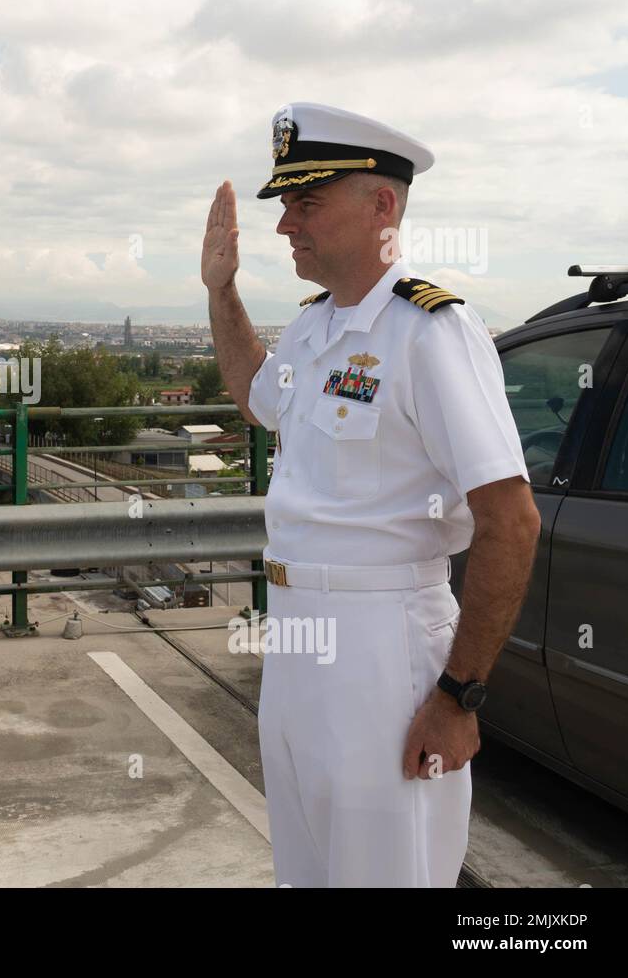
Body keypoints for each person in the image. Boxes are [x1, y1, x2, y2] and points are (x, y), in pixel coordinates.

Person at [201, 102, 540, 887]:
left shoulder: (432, 333)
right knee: (308, 873)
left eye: (306, 201)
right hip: (294, 642)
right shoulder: (317, 328)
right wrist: (222, 291)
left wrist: (459, 698)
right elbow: (256, 391)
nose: (286, 223)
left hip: (382, 652)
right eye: (285, 203)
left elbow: (512, 521)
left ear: (381, 204)